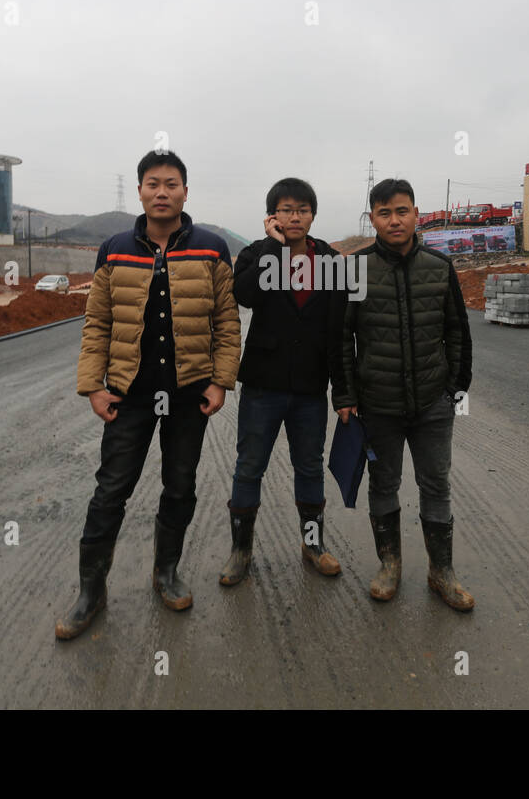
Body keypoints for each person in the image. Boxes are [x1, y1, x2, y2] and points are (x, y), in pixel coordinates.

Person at [57, 149, 241, 640]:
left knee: (180, 485)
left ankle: (166, 573)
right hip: (129, 395)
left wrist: (220, 380)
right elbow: (97, 322)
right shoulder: (114, 248)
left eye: (172, 183)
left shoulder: (211, 248)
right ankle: (90, 592)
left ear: (185, 190)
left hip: (188, 396)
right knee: (111, 490)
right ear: (140, 191)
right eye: (153, 184)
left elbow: (226, 322)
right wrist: (93, 386)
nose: (162, 192)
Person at [331, 178, 475, 611]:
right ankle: (389, 565)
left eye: (402, 211)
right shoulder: (353, 269)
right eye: (384, 212)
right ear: (372, 217)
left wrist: (455, 388)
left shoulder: (439, 266)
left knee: (436, 484)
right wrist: (345, 396)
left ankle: (441, 572)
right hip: (379, 403)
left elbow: (457, 331)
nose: (394, 220)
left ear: (416, 213)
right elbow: (342, 339)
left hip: (433, 401)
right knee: (384, 483)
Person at [219, 178, 345, 586]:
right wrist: (274, 247)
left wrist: (342, 390)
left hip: (310, 389)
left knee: (309, 468)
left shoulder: (329, 259)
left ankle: (313, 546)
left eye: (303, 209)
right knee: (249, 468)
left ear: (313, 214)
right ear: (273, 215)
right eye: (287, 209)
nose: (296, 216)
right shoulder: (256, 254)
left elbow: (340, 330)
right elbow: (246, 296)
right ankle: (241, 551)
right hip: (263, 386)